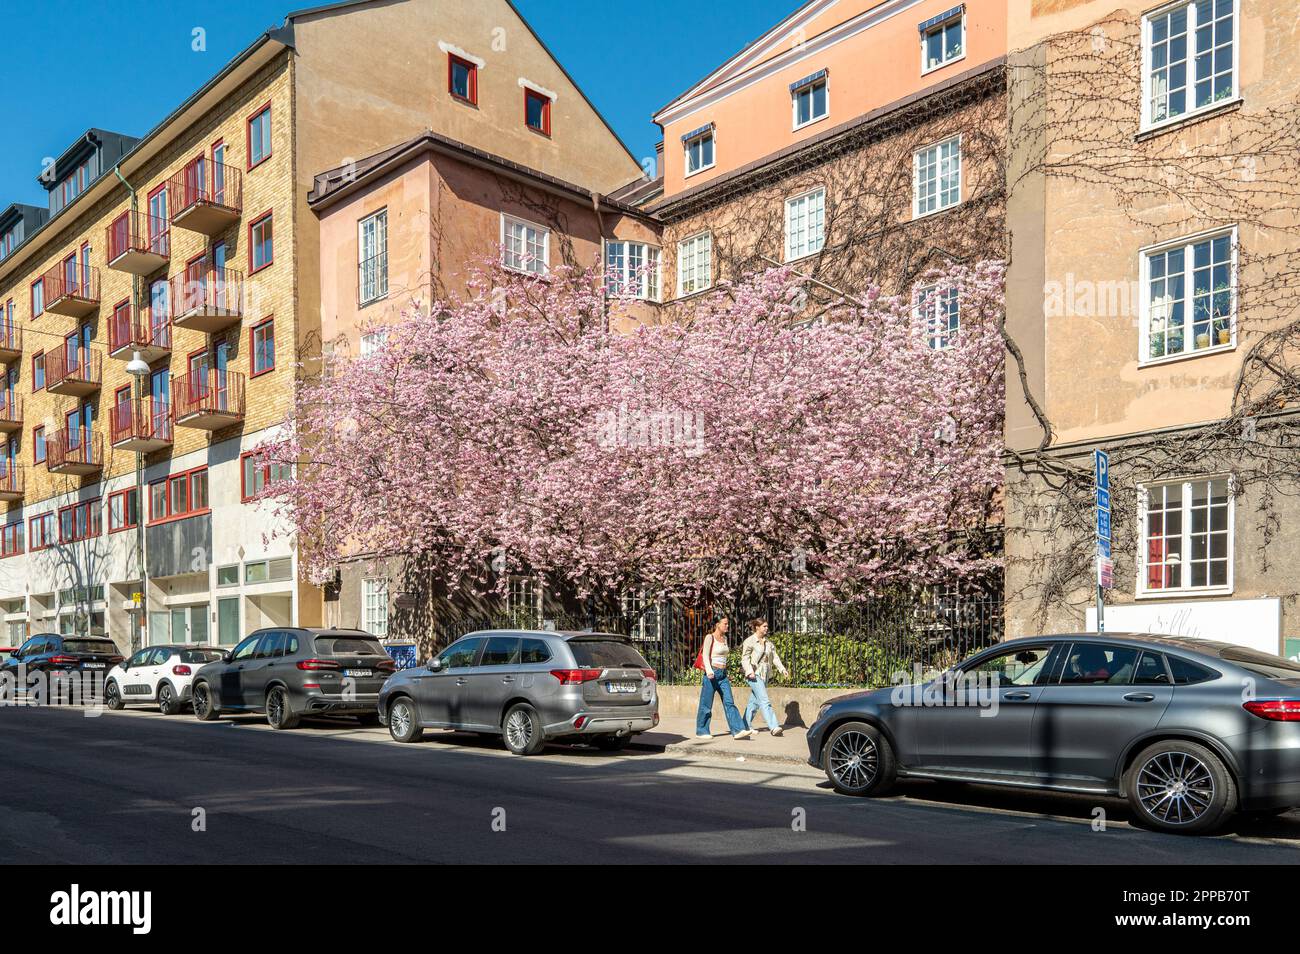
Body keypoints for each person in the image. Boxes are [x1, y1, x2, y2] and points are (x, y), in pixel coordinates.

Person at [695, 617, 752, 740]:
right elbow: (705, 655)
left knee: (729, 702)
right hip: (712, 674)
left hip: (722, 675)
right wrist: (709, 671)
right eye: (725, 624)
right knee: (706, 704)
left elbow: (723, 657)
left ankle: (738, 730)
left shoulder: (725, 639)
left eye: (728, 624)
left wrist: (725, 671)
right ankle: (701, 731)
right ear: (717, 624)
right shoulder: (709, 637)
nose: (727, 626)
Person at [741, 618, 789, 735]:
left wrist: (782, 669)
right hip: (754, 673)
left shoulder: (768, 643)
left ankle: (745, 726)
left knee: (755, 702)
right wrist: (749, 671)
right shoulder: (750, 641)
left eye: (767, 626)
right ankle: (774, 726)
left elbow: (775, 657)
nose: (767, 628)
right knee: (764, 700)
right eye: (764, 626)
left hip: (765, 674)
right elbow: (745, 658)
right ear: (757, 627)